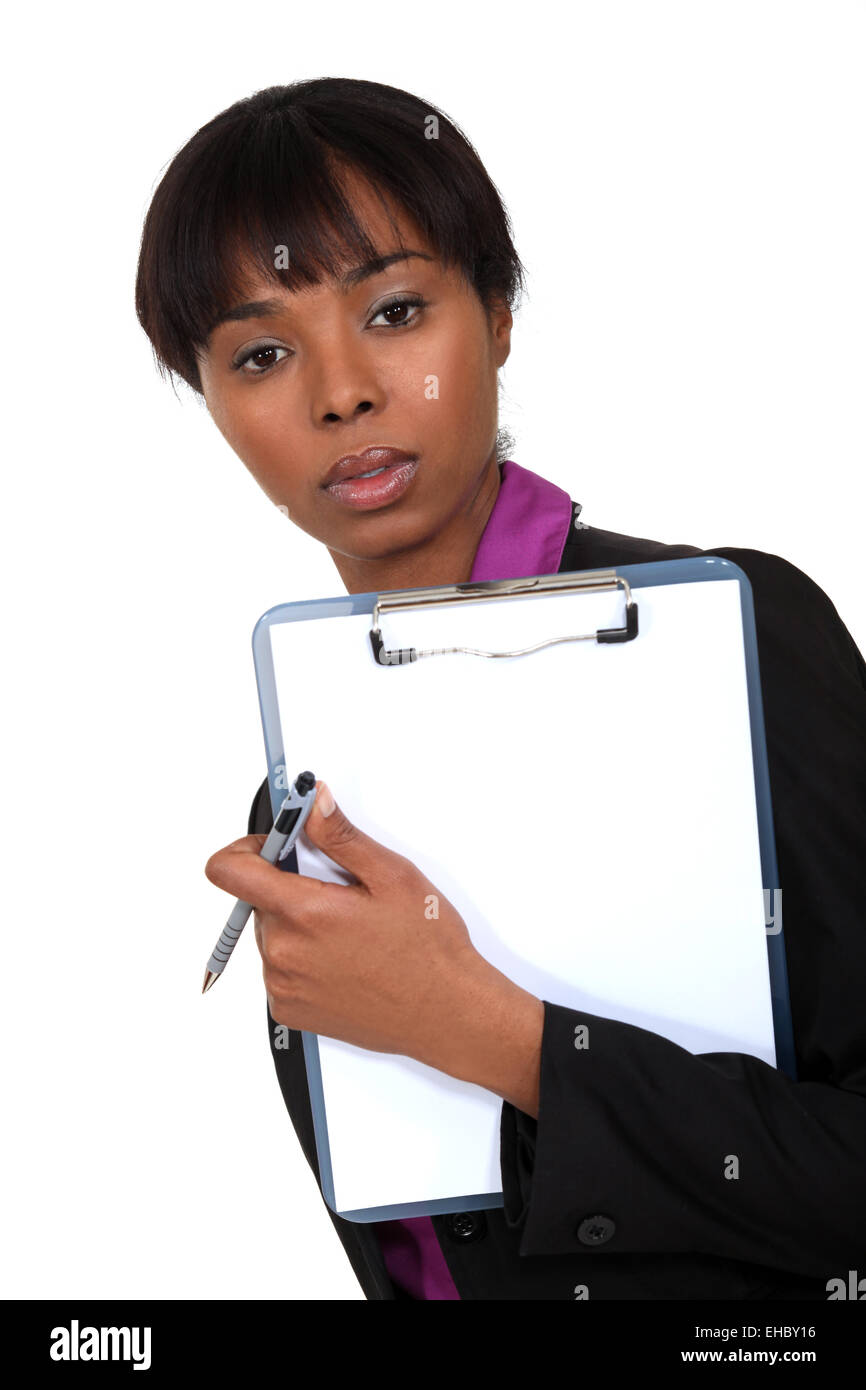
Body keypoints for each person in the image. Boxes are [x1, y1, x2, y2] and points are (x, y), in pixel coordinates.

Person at [135, 77, 866, 1301]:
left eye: (396, 309)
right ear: (209, 401)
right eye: (261, 351)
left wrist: (498, 1039)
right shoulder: (303, 795)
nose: (339, 393)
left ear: (499, 312)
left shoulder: (730, 638)